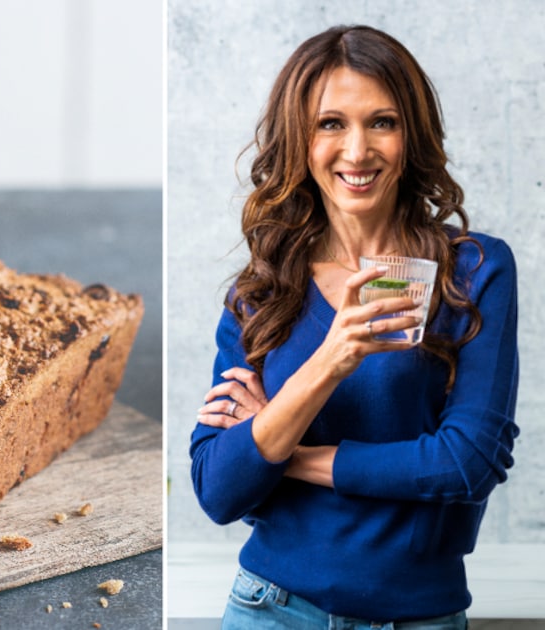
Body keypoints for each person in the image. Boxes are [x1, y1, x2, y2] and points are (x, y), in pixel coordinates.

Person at [189, 24, 519, 628]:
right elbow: (217, 489)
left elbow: (466, 462)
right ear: (300, 139)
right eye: (331, 123)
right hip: (270, 608)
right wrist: (330, 360)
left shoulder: (472, 270)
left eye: (383, 122)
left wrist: (280, 447)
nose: (358, 150)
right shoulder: (261, 290)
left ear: (410, 135)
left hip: (420, 614)